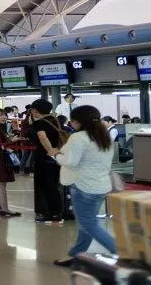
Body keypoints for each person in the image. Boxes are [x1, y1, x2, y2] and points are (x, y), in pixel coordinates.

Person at [54, 105, 117, 267]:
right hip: (101, 185)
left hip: (84, 186)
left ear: (78, 121)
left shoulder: (79, 137)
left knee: (88, 223)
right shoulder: (105, 137)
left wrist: (55, 155)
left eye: (72, 120)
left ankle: (123, 253)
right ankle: (75, 254)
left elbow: (70, 162)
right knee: (86, 223)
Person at [29, 99, 66, 224]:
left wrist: (50, 150)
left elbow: (42, 137)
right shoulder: (55, 120)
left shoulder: (39, 123)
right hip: (57, 157)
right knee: (54, 185)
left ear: (35, 110)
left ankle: (52, 213)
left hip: (45, 158)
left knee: (47, 186)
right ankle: (56, 212)